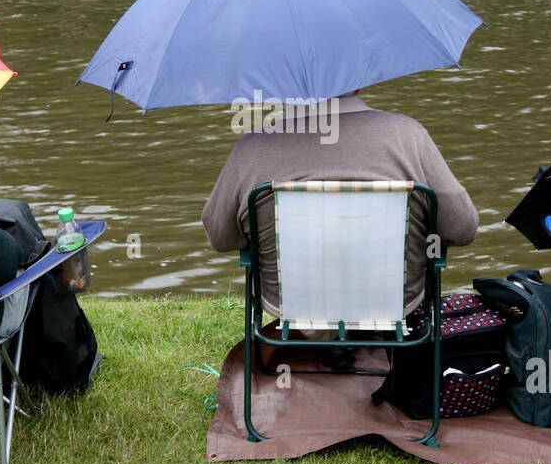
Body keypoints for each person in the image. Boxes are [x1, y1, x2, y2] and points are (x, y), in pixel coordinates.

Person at [202, 91, 479, 369]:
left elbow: (221, 236)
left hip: (293, 305)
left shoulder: (252, 148)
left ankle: (322, 332)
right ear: (357, 82)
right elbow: (462, 227)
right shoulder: (409, 136)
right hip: (396, 301)